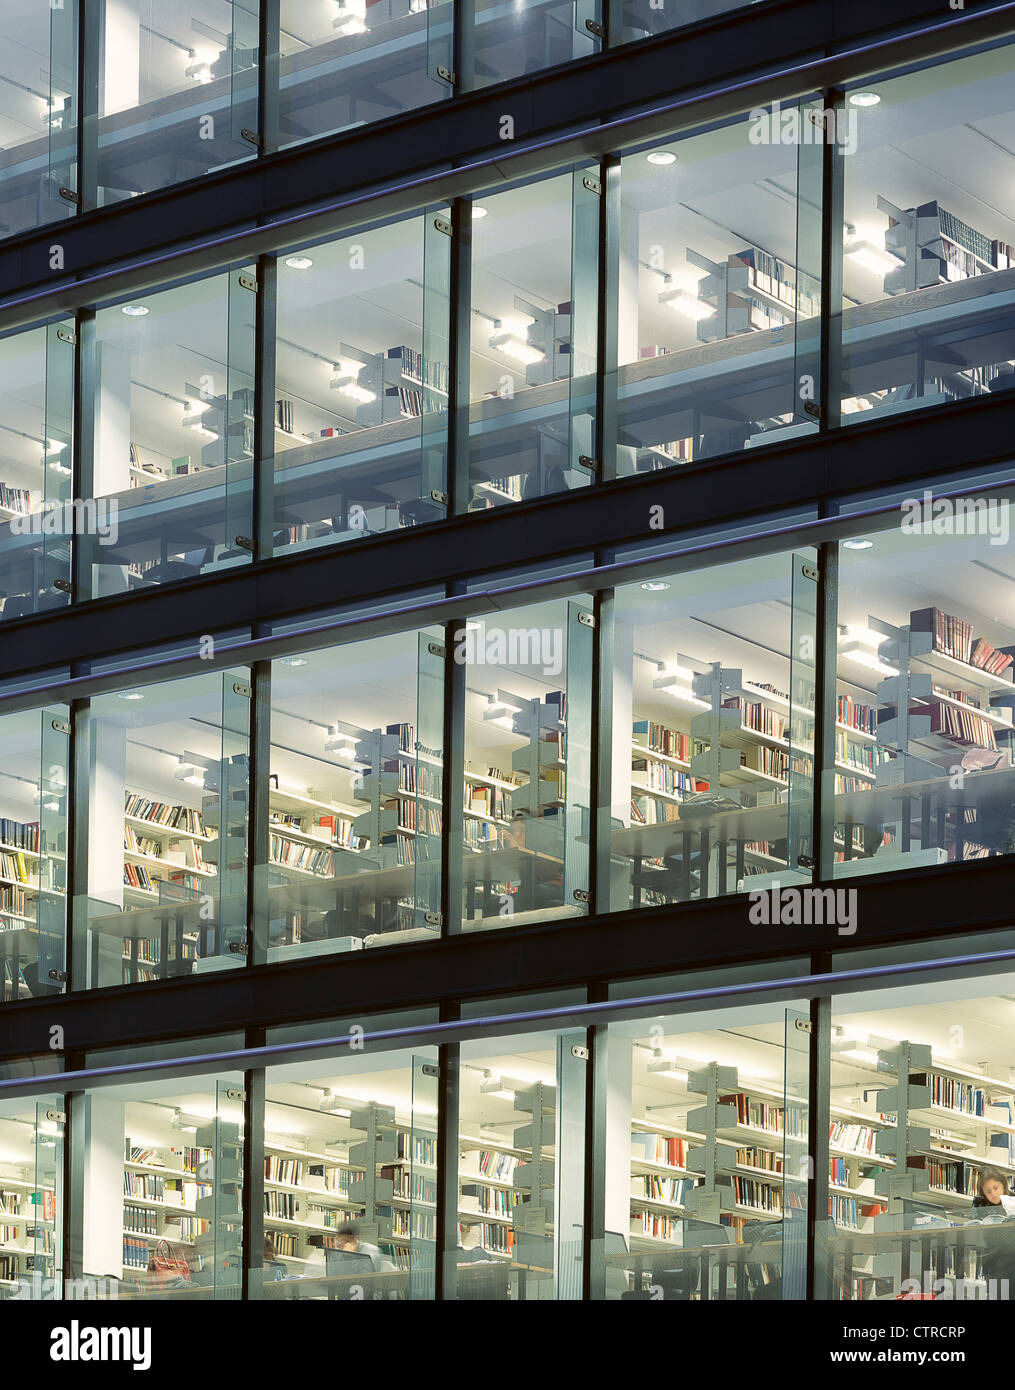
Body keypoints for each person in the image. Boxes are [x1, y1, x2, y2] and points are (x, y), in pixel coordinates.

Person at [328, 1222, 400, 1299]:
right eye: (339, 1240)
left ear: (356, 1239)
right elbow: (332, 1279)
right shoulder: (337, 1254)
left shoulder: (369, 1251)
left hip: (369, 1295)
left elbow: (365, 1279)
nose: (341, 1244)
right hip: (346, 1295)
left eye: (346, 1241)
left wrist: (350, 1255)